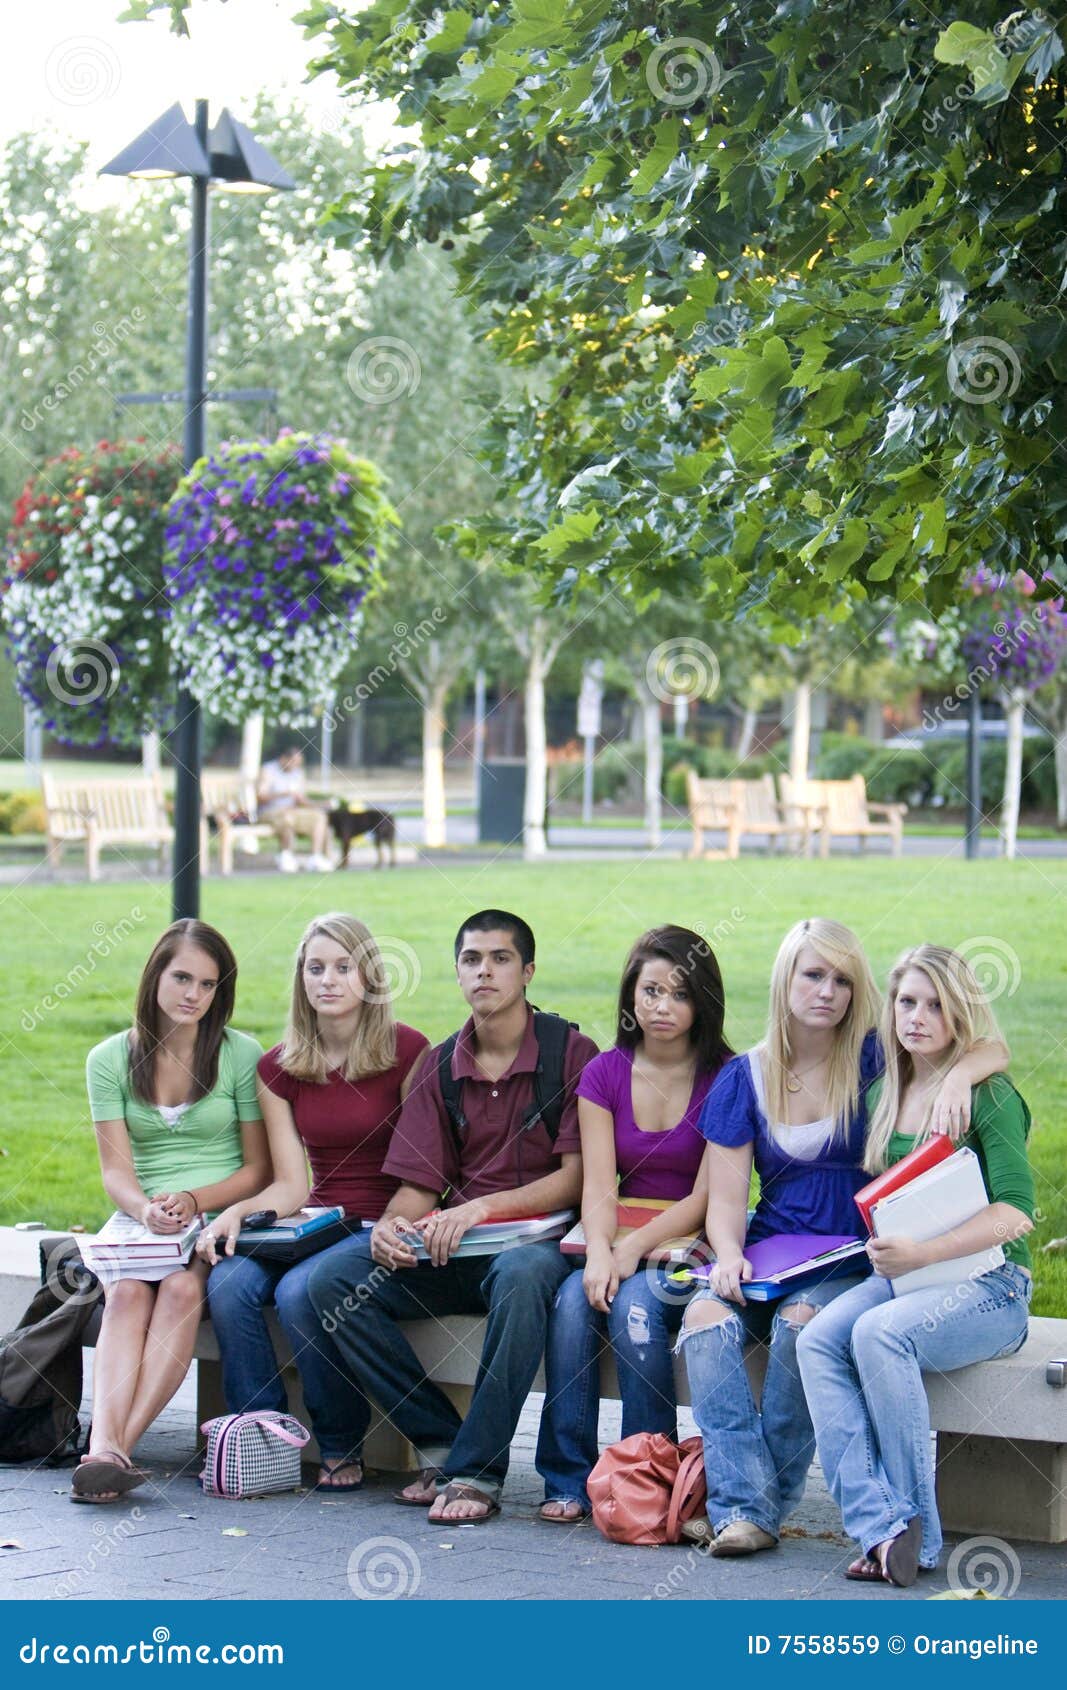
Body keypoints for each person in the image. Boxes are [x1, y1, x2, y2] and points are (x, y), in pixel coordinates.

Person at [678, 918, 1008, 1557]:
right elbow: (723, 1202)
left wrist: (964, 1077)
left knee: (800, 1327)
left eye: (842, 980)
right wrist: (724, 1257)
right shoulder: (743, 1077)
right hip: (771, 1247)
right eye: (813, 975)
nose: (827, 991)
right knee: (703, 1321)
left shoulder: (876, 1055)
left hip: (855, 1253)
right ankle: (750, 1504)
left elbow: (987, 1046)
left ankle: (752, 1509)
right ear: (785, 979)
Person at [308, 909, 599, 1523]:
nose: (485, 971)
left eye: (500, 959)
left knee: (521, 1280)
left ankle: (476, 1473)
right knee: (332, 1280)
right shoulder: (440, 1065)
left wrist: (479, 1208)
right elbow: (417, 1186)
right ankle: (440, 1440)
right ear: (458, 973)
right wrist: (391, 1226)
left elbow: (576, 1179)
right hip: (452, 1248)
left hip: (535, 1246)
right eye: (472, 960)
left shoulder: (570, 1053)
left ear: (528, 971)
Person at [797, 945, 1033, 1587]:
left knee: (879, 1333)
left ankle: (913, 1529)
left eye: (935, 1004)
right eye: (906, 1001)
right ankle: (878, 1524)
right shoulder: (885, 1089)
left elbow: (1017, 1212)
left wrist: (925, 1252)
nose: (918, 1016)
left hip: (990, 1286)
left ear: (960, 1012)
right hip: (905, 1278)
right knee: (817, 1338)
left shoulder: (988, 1096)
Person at [199, 914, 429, 1492]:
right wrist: (235, 1213)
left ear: (370, 976)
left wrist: (393, 1222)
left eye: (343, 967)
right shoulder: (279, 1067)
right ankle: (261, 1437)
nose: (327, 980)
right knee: (229, 1282)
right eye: (315, 968)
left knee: (302, 1293)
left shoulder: (409, 1051)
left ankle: (338, 1442)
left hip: (383, 1219)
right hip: (315, 1219)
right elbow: (292, 1186)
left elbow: (425, 1170)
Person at [536, 925, 733, 1522]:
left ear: (702, 1001)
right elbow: (598, 1184)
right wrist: (600, 1252)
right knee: (572, 1303)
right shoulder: (604, 1073)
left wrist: (634, 1250)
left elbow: (706, 1195)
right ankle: (566, 1479)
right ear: (630, 997)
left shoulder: (725, 1074)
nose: (662, 1007)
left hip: (693, 1245)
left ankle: (649, 1477)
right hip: (616, 1235)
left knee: (635, 1308)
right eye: (650, 992)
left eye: (678, 994)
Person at [76, 921, 268, 1503]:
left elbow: (257, 1171)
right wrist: (146, 1209)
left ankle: (112, 1451)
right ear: (155, 975)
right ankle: (106, 1452)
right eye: (181, 977)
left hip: (217, 1215)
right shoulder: (108, 1059)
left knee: (183, 1291)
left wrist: (193, 1202)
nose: (193, 994)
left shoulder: (240, 1055)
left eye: (208, 985)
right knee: (129, 1293)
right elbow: (115, 1173)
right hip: (145, 1217)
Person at [257, 746, 332, 873]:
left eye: (298, 764)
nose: (295, 767)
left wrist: (319, 804)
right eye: (294, 763)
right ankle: (286, 856)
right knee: (287, 817)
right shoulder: (268, 771)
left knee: (319, 817)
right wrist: (283, 794)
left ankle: (315, 857)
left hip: (292, 811)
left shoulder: (298, 773)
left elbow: (301, 799)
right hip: (270, 811)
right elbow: (260, 797)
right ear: (284, 759)